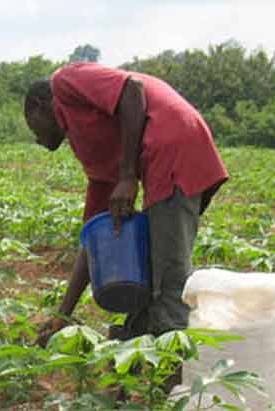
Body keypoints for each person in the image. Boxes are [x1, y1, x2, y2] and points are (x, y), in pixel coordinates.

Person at [24, 62, 228, 385]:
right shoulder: (92, 151)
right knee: (147, 277)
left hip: (172, 146)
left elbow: (133, 90)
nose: (36, 139)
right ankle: (125, 377)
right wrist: (63, 315)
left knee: (169, 282)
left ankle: (172, 390)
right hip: (168, 153)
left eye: (32, 126)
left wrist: (128, 176)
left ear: (38, 105)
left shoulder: (64, 82)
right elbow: (94, 241)